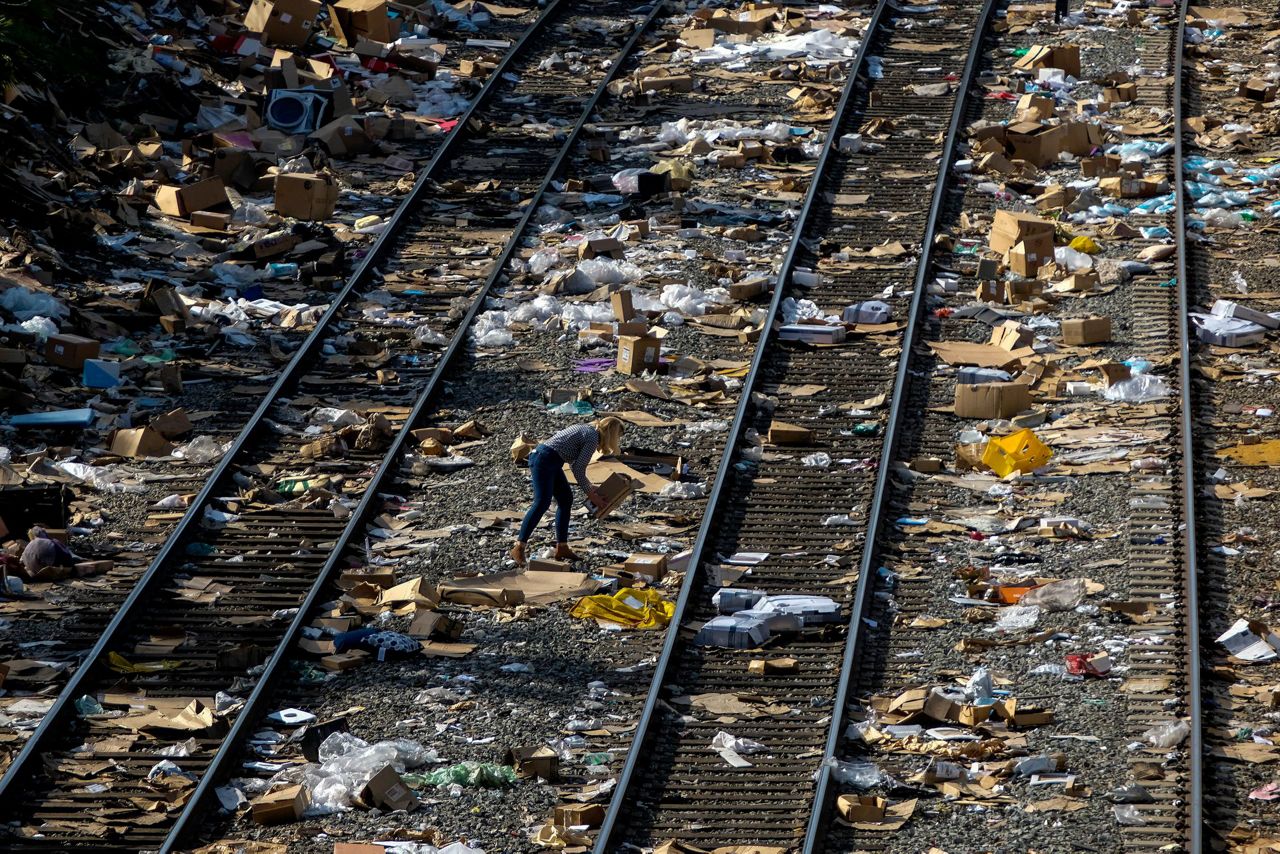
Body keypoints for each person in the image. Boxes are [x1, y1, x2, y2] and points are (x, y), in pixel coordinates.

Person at [510, 417, 624, 565]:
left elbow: (573, 464)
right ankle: (519, 547)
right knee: (542, 502)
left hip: (550, 459)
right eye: (618, 437)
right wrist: (591, 494)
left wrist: (589, 486)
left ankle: (562, 547)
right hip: (543, 460)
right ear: (612, 433)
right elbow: (578, 468)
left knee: (565, 500)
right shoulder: (592, 438)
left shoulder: (587, 430)